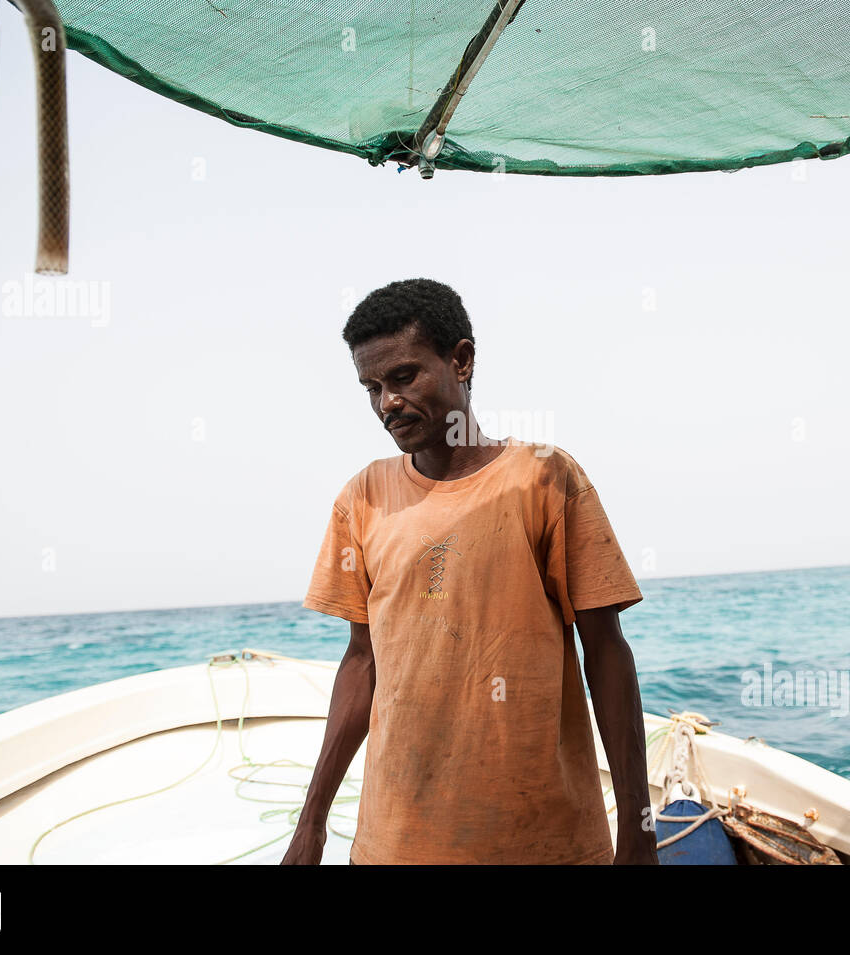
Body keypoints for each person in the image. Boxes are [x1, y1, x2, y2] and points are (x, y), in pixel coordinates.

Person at [281, 278, 657, 865]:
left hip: (545, 841)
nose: (387, 403)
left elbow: (606, 650)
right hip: (395, 843)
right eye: (372, 387)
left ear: (461, 359)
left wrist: (638, 821)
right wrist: (312, 824)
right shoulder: (363, 498)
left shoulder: (544, 477)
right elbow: (362, 660)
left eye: (404, 377)